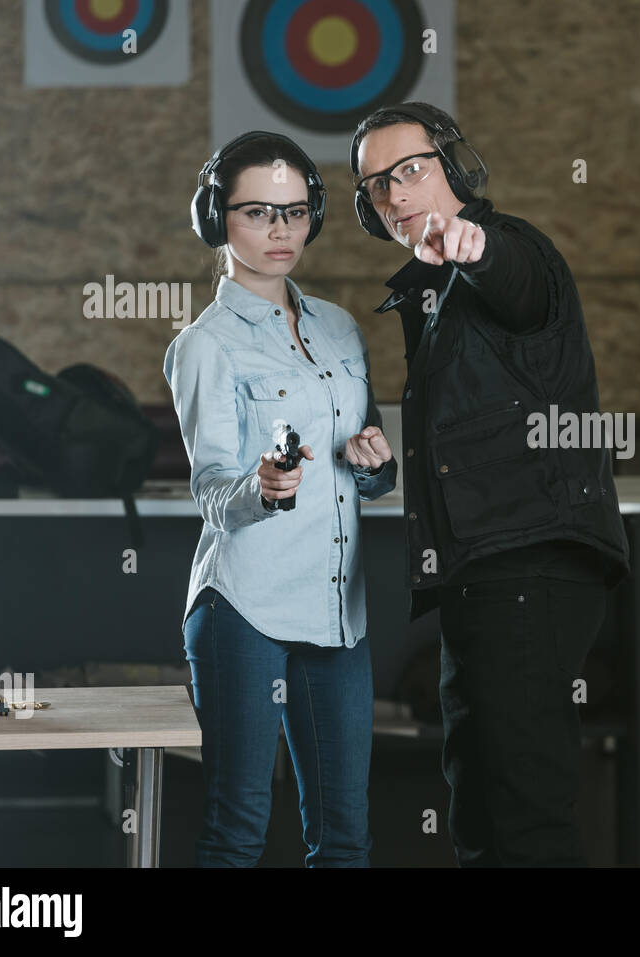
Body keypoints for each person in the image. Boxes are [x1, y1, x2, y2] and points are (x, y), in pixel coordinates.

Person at [350, 102, 631, 866]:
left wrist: (472, 247)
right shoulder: (426, 292)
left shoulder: (509, 247)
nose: (397, 194)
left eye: (411, 169)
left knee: (523, 816)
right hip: (484, 571)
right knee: (481, 806)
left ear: (456, 169)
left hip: (529, 566)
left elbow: (516, 281)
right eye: (378, 185)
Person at [162, 131, 397, 866]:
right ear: (216, 219)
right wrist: (261, 489)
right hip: (245, 613)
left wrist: (373, 465)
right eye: (259, 212)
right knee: (239, 831)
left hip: (336, 614)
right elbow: (212, 492)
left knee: (345, 836)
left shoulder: (340, 328)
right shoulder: (205, 345)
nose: (281, 230)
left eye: (295, 212)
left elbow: (371, 467)